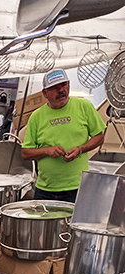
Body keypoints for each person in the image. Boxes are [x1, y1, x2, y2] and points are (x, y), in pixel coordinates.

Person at [21, 68, 106, 203]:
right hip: (45, 190)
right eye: (54, 88)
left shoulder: (84, 106)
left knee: (76, 218)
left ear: (69, 84)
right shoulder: (36, 117)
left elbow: (99, 137)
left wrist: (80, 149)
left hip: (77, 187)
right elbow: (26, 153)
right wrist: (47, 151)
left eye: (64, 85)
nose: (61, 90)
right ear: (45, 93)